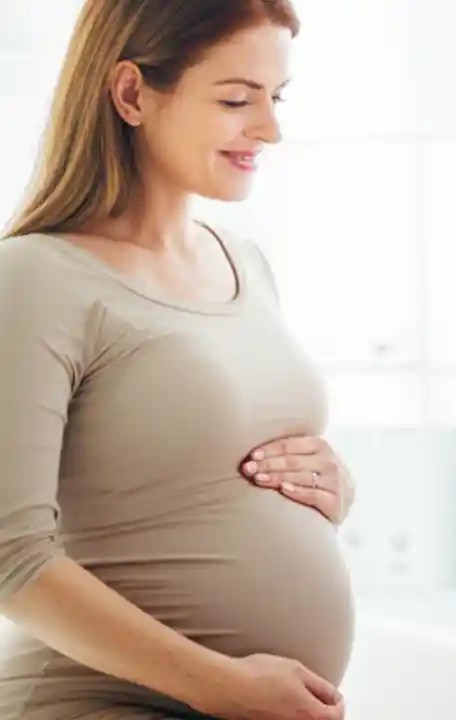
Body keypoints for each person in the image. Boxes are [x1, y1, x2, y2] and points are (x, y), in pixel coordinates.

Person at [0, 2, 356, 718]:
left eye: (275, 97)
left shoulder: (245, 264)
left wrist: (331, 488)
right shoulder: (34, 278)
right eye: (236, 99)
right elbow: (12, 560)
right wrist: (224, 687)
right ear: (131, 94)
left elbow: (194, 481)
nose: (270, 128)